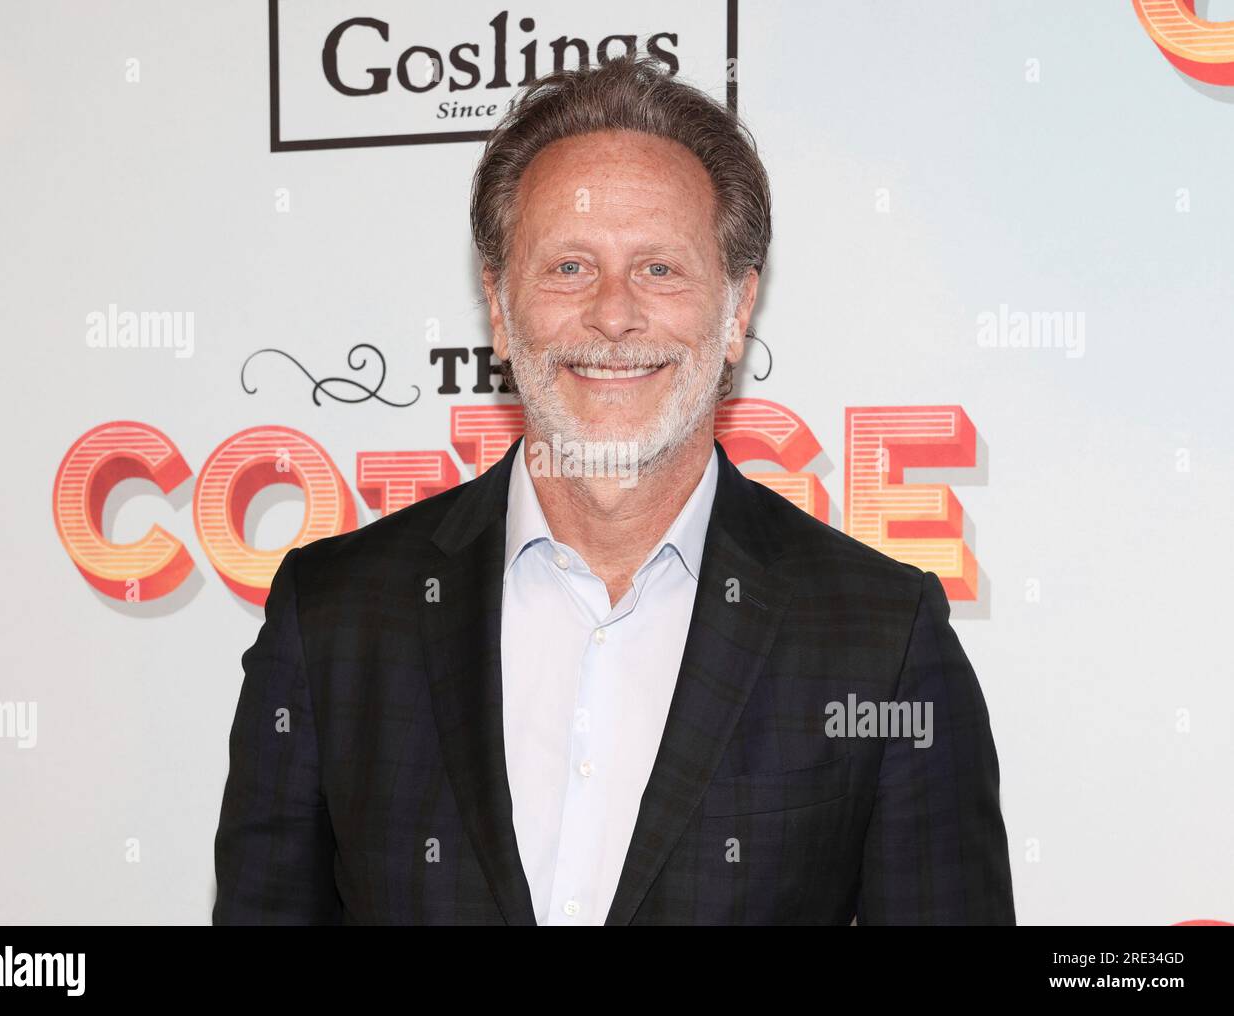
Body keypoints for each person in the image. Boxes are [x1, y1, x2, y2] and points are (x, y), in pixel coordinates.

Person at [212, 54, 1015, 925]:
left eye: (660, 269)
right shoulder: (334, 616)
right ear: (500, 310)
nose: (613, 314)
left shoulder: (882, 640)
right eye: (568, 268)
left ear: (737, 310)